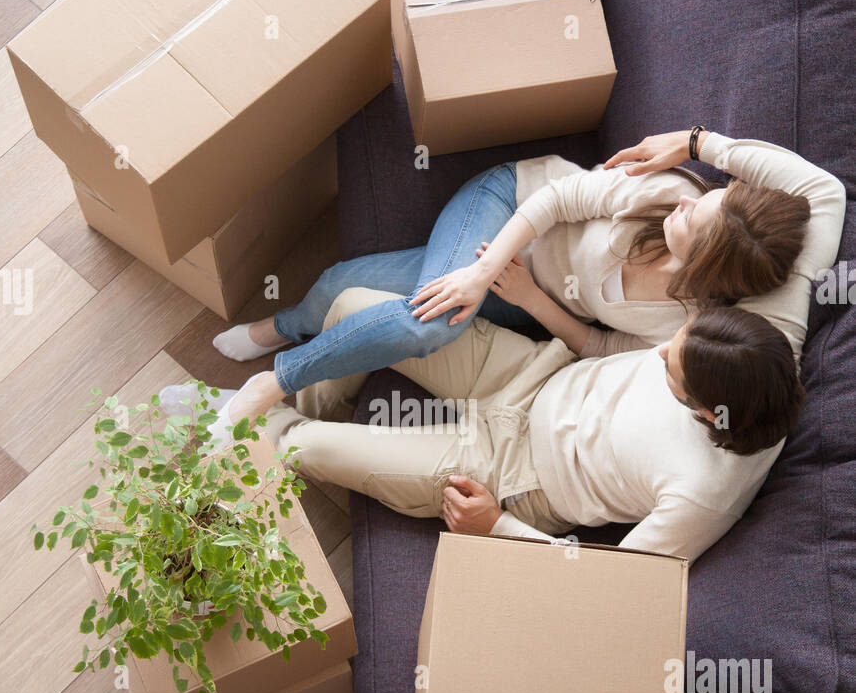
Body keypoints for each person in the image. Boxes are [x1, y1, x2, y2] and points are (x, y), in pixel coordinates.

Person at [209, 129, 844, 409]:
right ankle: (281, 357)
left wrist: (528, 298)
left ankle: (286, 345)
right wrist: (482, 276)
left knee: (346, 285)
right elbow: (557, 199)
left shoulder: (684, 326)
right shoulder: (664, 191)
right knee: (434, 323)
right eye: (706, 194)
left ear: (705, 266)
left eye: (694, 221)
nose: (687, 199)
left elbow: (599, 346)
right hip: (507, 207)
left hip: (524, 291)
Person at [185, 293, 804, 565]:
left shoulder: (706, 492)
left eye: (670, 364)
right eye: (673, 340)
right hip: (534, 373)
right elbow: (822, 195)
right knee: (354, 310)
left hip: (516, 475)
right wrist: (696, 144)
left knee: (304, 447)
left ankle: (266, 425)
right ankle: (304, 404)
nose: (658, 349)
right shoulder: (766, 349)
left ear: (703, 414)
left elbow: (618, 585)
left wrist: (498, 528)